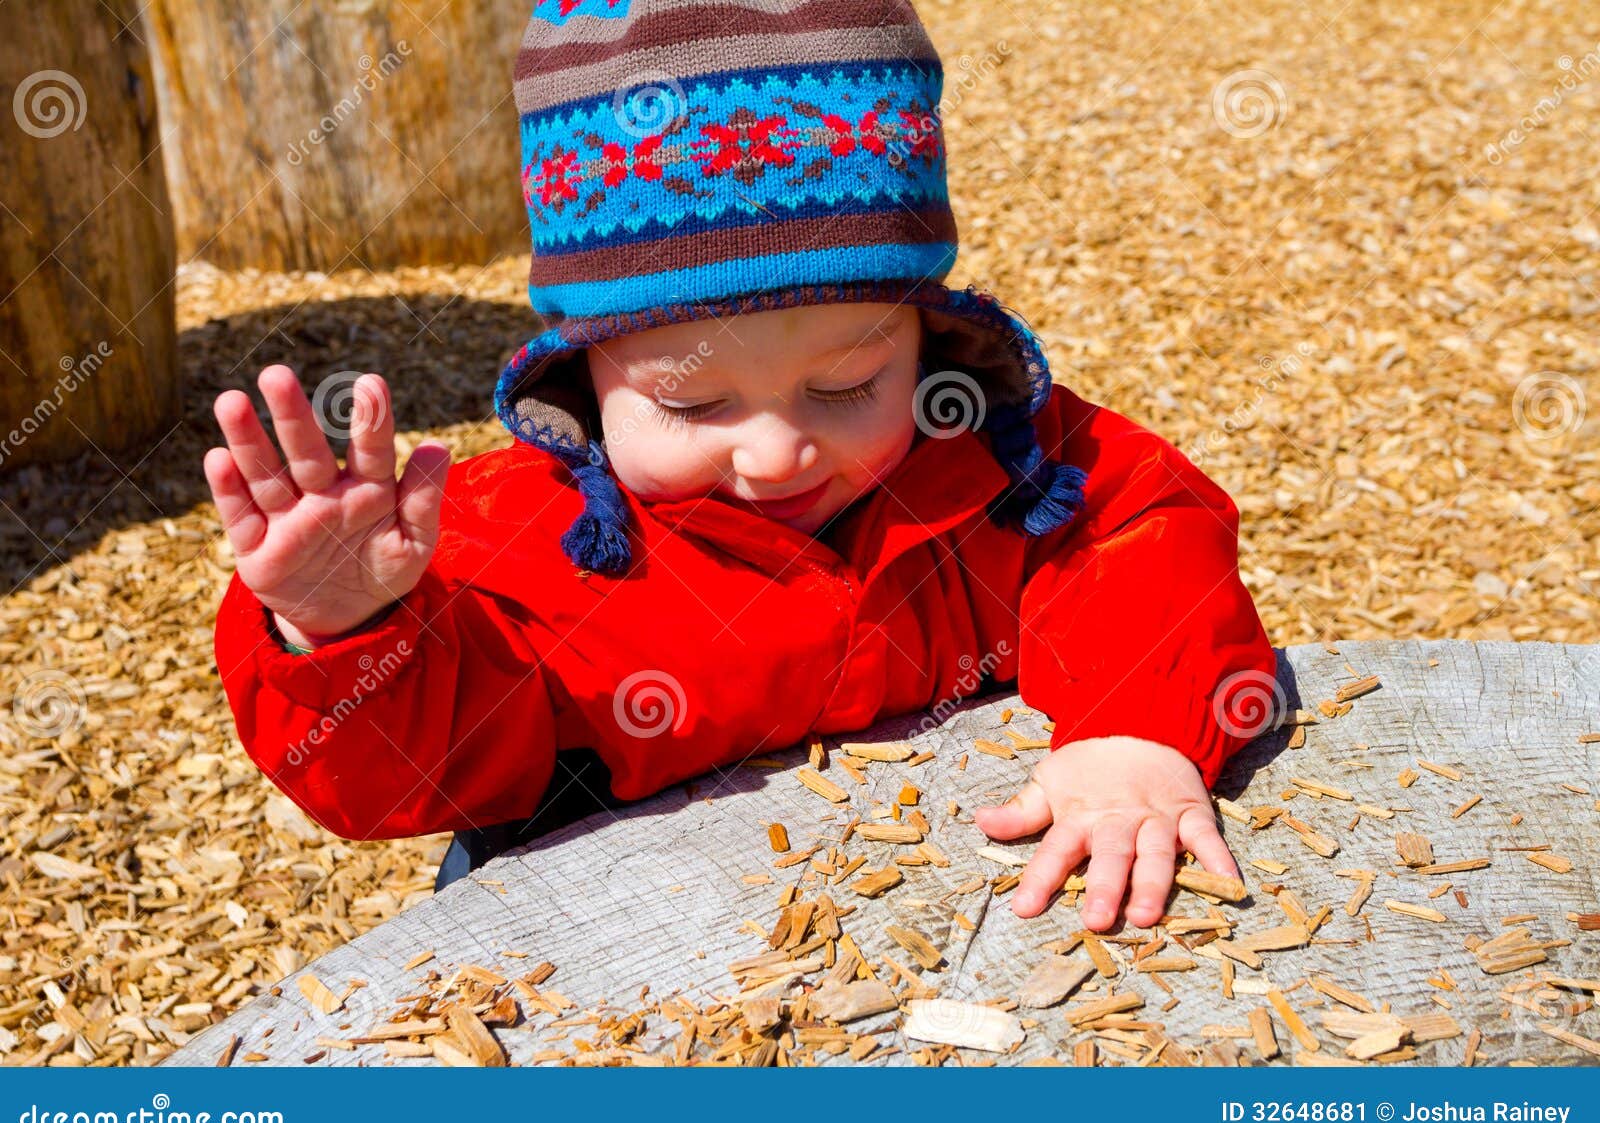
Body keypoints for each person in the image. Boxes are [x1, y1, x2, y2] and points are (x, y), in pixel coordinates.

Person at [204, 0, 1278, 928]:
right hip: (599, 957)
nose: (774, 452)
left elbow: (1141, 536)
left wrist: (1134, 725)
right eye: (692, 400)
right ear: (582, 375)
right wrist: (343, 632)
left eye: (848, 382)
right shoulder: (516, 545)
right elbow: (404, 775)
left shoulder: (999, 462)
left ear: (931, 338)